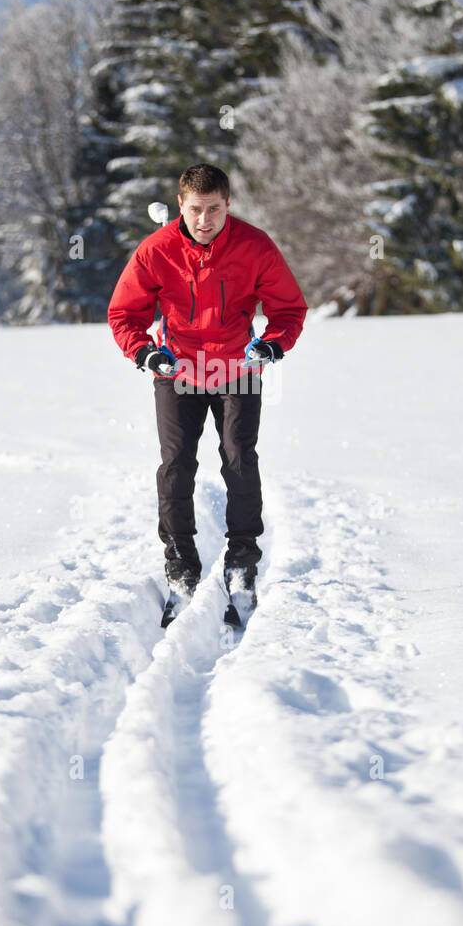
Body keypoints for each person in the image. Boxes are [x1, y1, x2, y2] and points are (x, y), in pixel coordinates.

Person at [107, 163, 307, 615]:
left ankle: (242, 563)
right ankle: (180, 563)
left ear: (228, 204)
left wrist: (272, 344)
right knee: (176, 464)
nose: (204, 219)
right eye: (196, 209)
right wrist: (145, 352)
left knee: (239, 459)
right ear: (181, 204)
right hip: (176, 369)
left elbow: (289, 309)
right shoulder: (156, 250)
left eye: (214, 209)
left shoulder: (255, 246)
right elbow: (124, 314)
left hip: (237, 366)